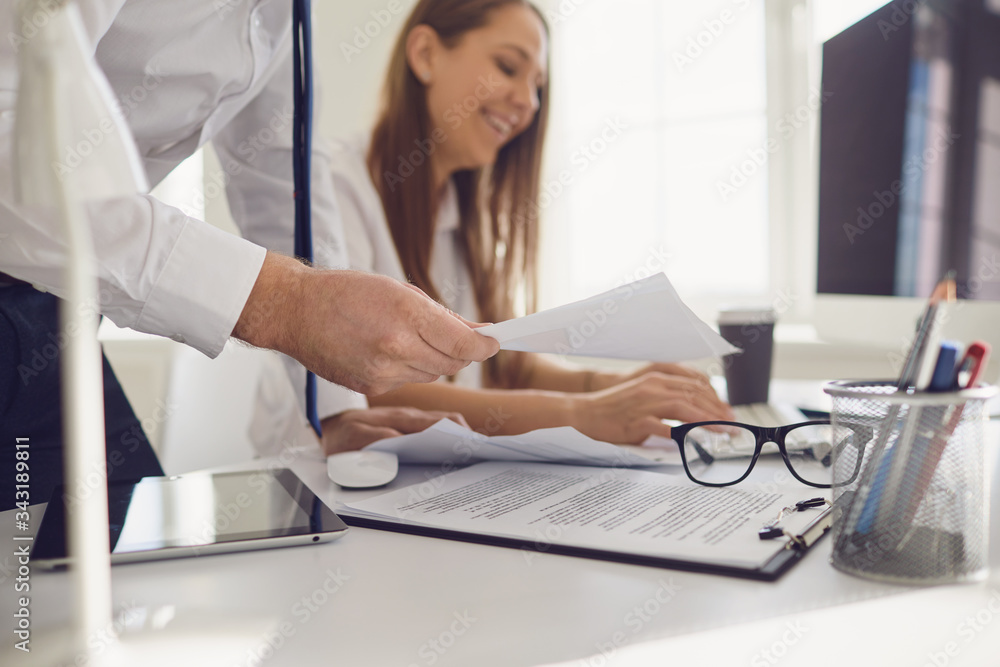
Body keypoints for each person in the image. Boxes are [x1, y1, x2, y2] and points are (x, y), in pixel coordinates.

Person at [0, 1, 498, 510]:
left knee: (111, 567)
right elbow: (10, 163)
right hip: (27, 278)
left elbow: (283, 177)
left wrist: (335, 411)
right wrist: (284, 301)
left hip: (52, 308)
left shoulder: (286, 15)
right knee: (51, 573)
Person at [321, 0, 733, 454]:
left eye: (538, 86)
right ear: (425, 55)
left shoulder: (462, 211)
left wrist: (616, 386)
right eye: (507, 66)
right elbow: (373, 386)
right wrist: (588, 414)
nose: (528, 102)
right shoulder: (339, 187)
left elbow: (499, 370)